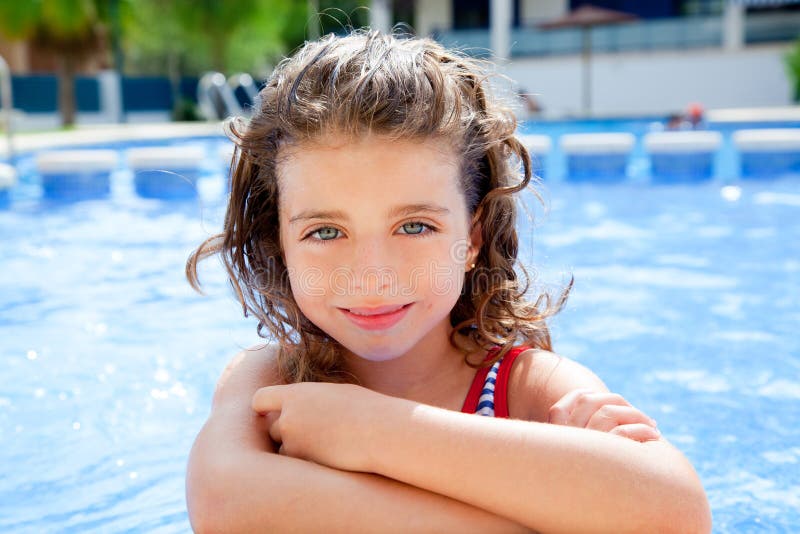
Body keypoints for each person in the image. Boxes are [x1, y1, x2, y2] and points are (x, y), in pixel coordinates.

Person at [184, 29, 711, 533]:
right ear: (279, 244)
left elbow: (676, 514)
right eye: (325, 231)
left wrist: (373, 430)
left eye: (415, 226)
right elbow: (222, 505)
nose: (373, 274)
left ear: (473, 237)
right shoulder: (271, 380)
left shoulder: (531, 392)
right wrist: (550, 519)